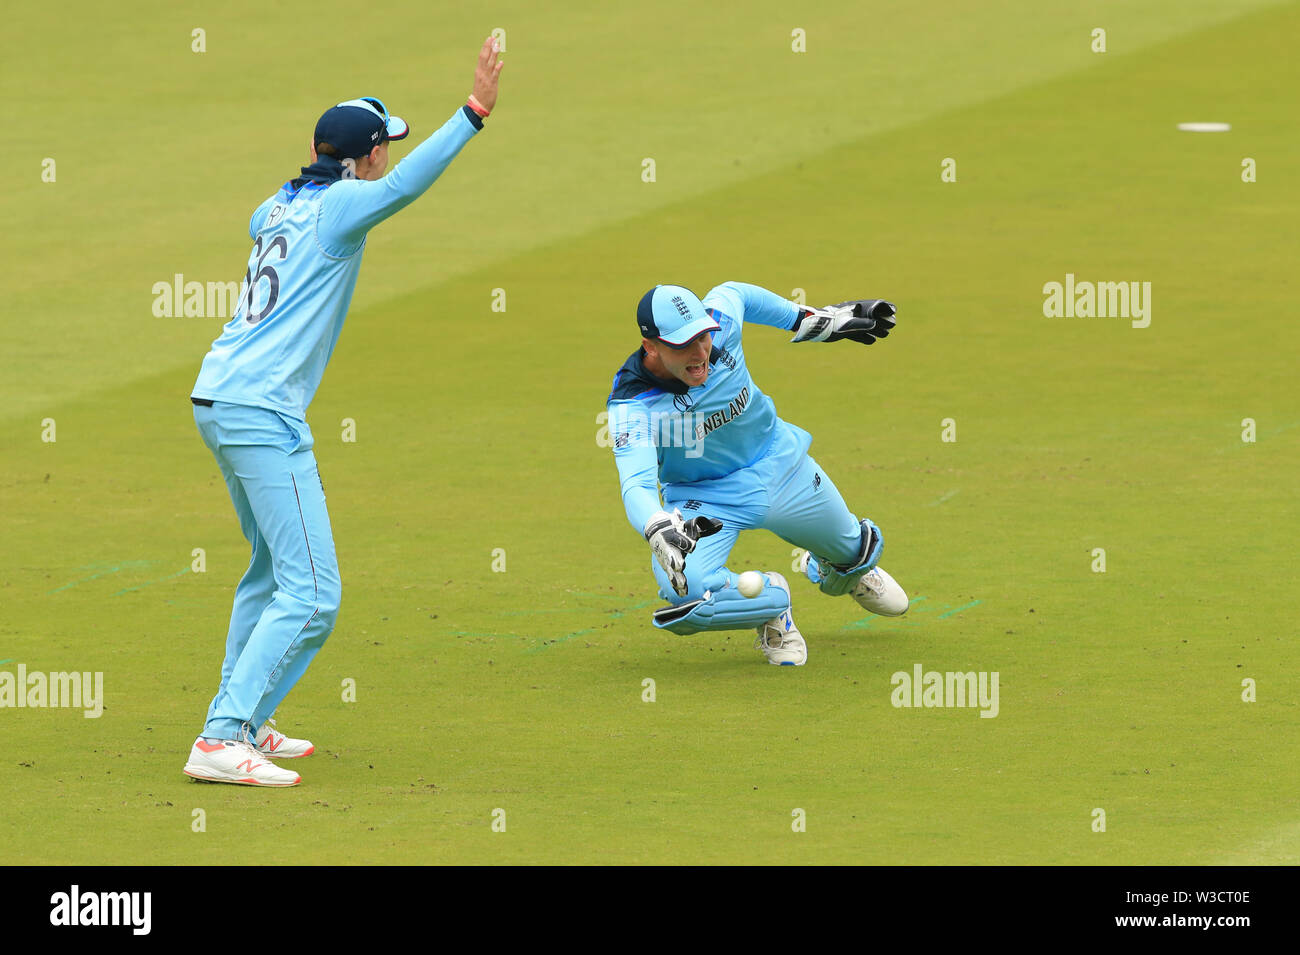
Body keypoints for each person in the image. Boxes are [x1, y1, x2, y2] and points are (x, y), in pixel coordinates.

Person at [183, 38, 504, 786]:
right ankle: (221, 737)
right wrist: (474, 112)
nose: (392, 155)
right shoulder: (342, 207)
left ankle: (248, 716)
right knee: (315, 594)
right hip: (262, 412)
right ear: (360, 160)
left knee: (268, 574)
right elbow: (407, 187)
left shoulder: (277, 204)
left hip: (218, 395)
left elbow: (310, 197)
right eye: (383, 145)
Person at [605, 282, 910, 666]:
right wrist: (656, 525)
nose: (700, 354)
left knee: (855, 554)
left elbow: (737, 292)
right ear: (651, 347)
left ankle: (835, 566)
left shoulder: (721, 323)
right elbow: (636, 484)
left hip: (782, 465)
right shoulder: (632, 406)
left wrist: (817, 321)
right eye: (683, 345)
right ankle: (771, 604)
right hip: (707, 500)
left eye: (702, 338)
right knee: (685, 595)